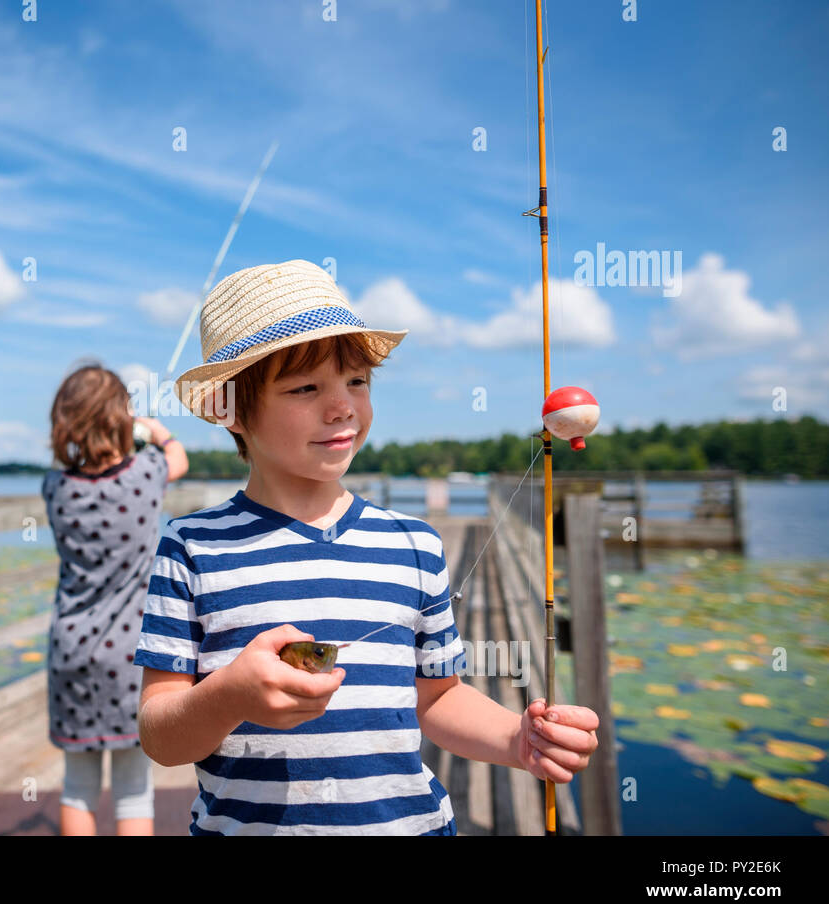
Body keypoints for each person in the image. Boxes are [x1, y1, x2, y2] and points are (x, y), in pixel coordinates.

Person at [133, 259, 600, 835]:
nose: (343, 407)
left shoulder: (414, 545)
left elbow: (437, 700)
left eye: (356, 381)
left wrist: (517, 739)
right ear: (233, 411)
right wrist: (230, 694)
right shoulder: (190, 548)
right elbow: (159, 736)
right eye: (305, 387)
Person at [41, 360, 188, 835]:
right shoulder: (145, 475)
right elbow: (178, 460)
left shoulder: (56, 488)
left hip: (71, 653)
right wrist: (153, 429)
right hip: (129, 658)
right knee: (132, 789)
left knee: (76, 785)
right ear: (121, 420)